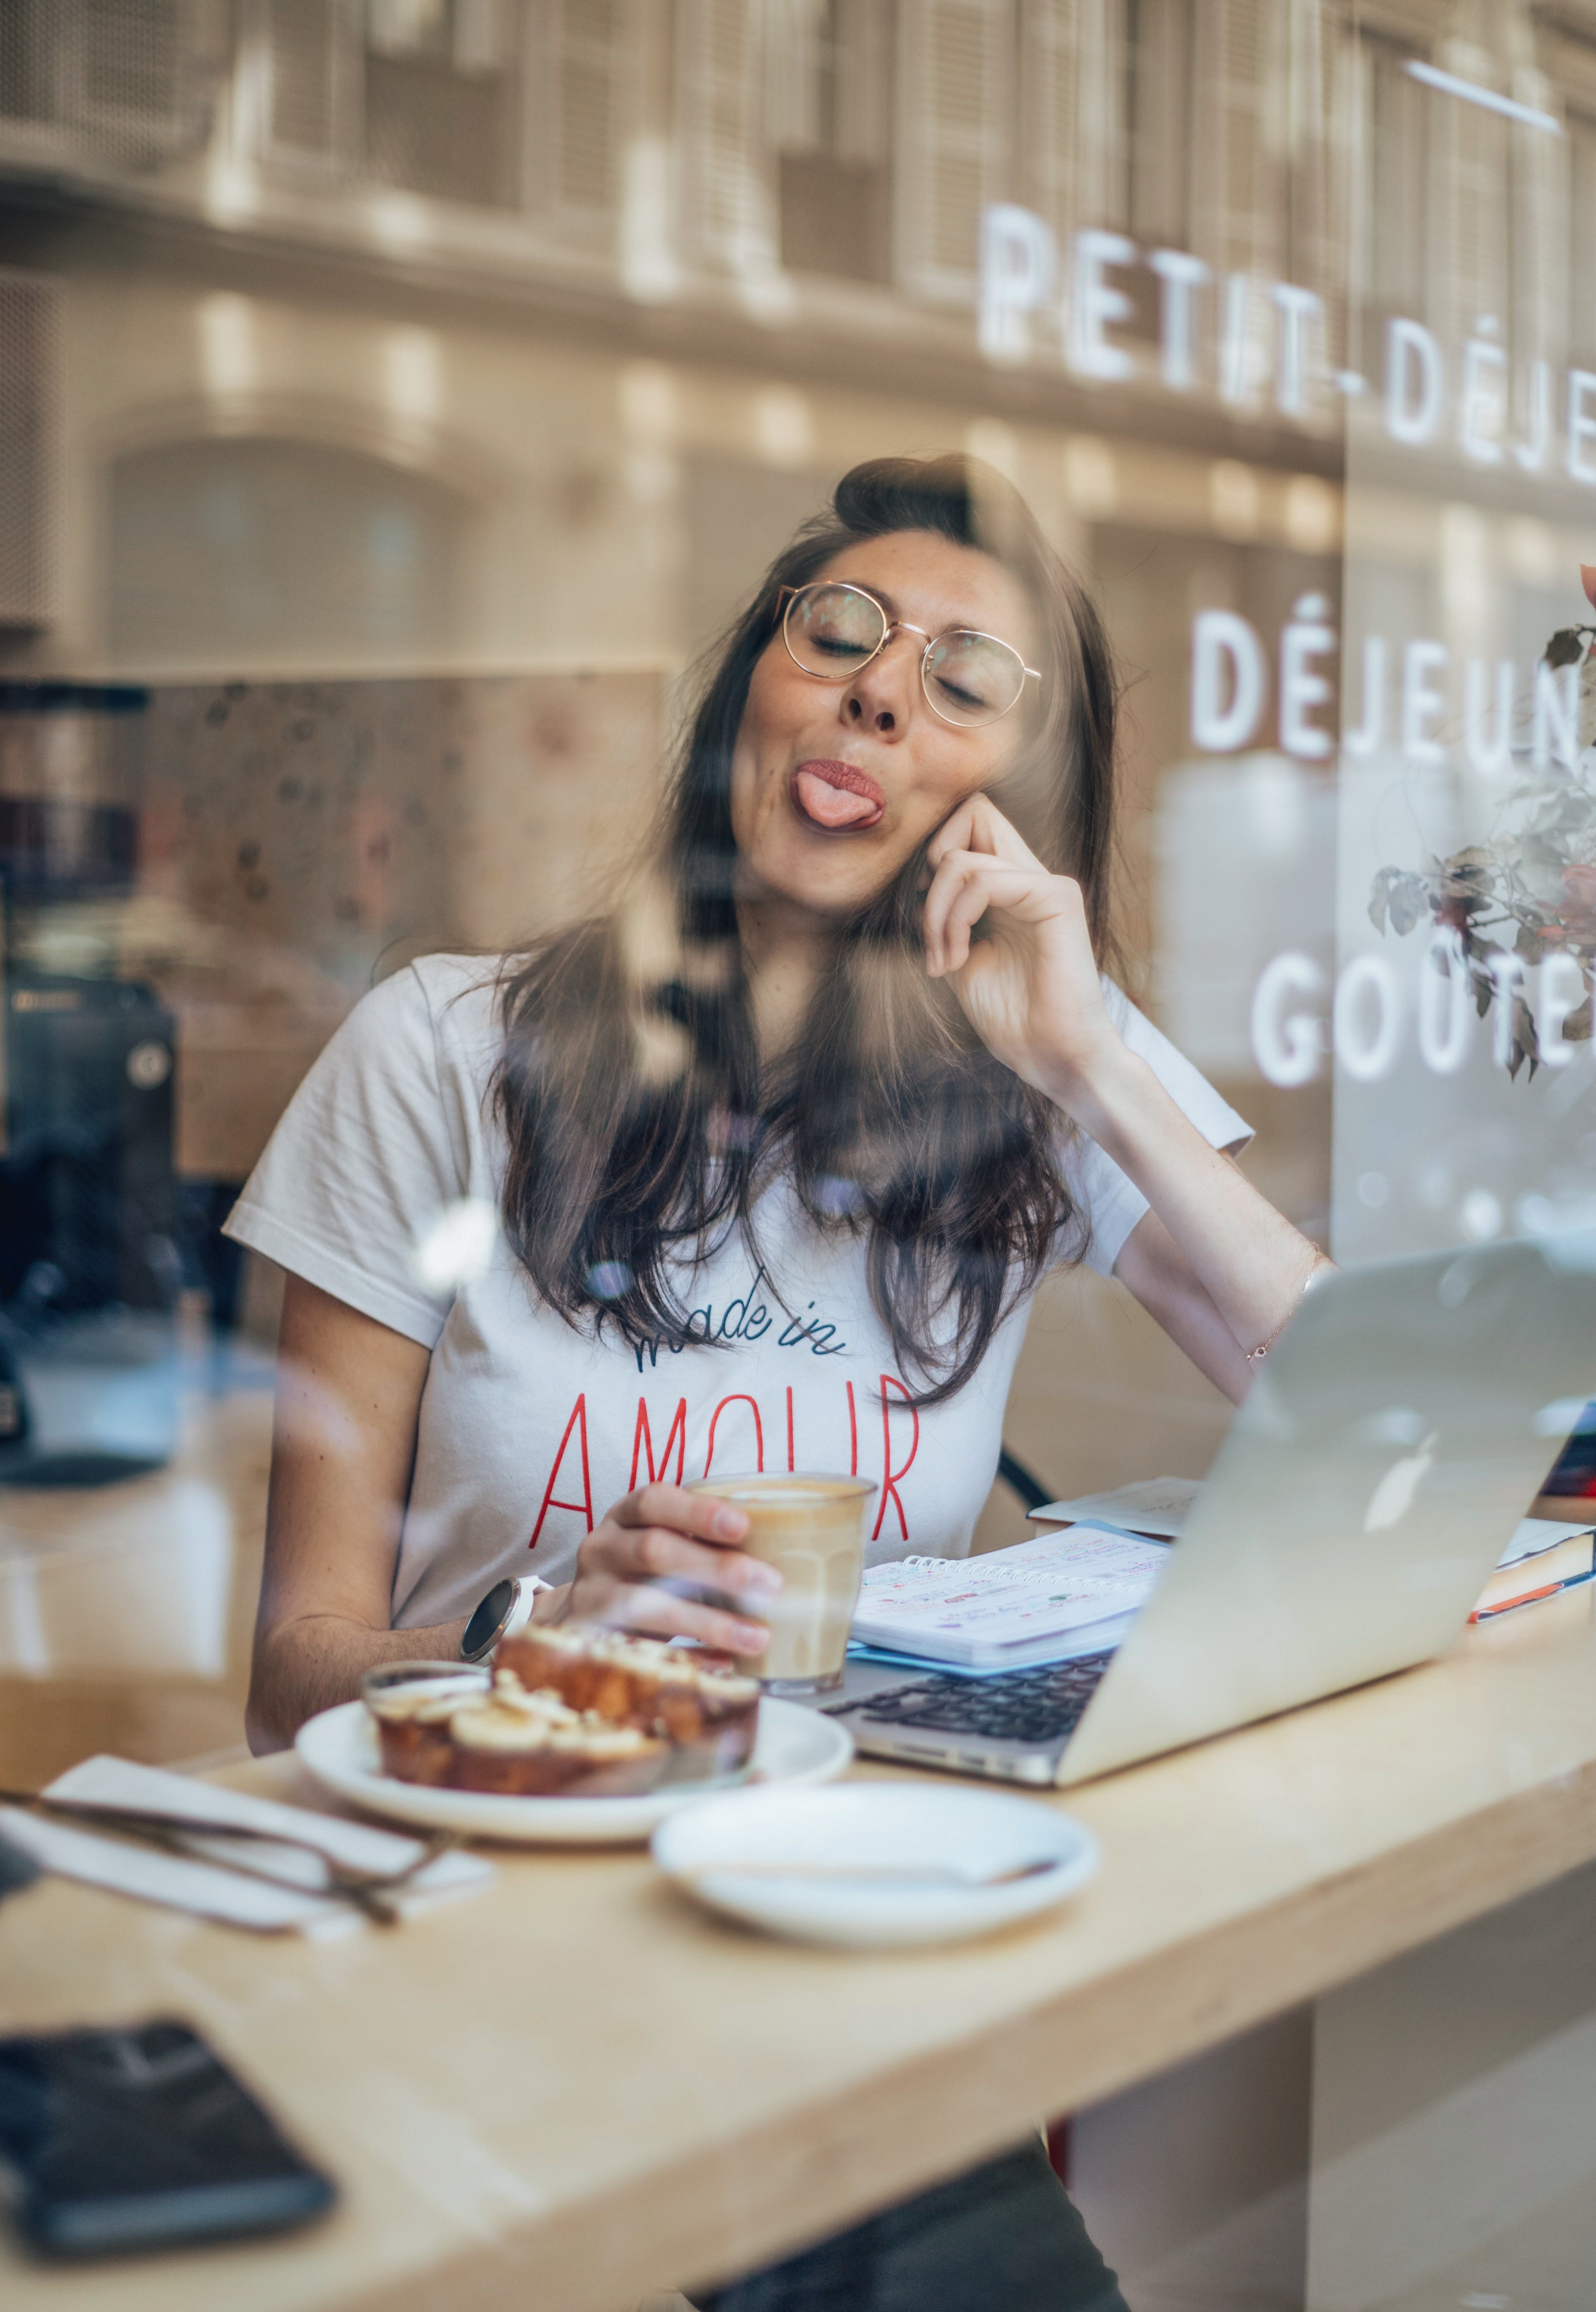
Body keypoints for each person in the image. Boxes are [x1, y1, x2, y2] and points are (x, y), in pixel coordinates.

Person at [226, 454, 1325, 2312]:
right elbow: (289, 1679)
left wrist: (1088, 1063)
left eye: (962, 684)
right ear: (756, 677)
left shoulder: (1037, 1078)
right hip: (486, 1957)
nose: (881, 692)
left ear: (1009, 802)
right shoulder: (439, 1051)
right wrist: (533, 1646)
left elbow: (1347, 1403)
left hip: (849, 1961)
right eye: (842, 633)